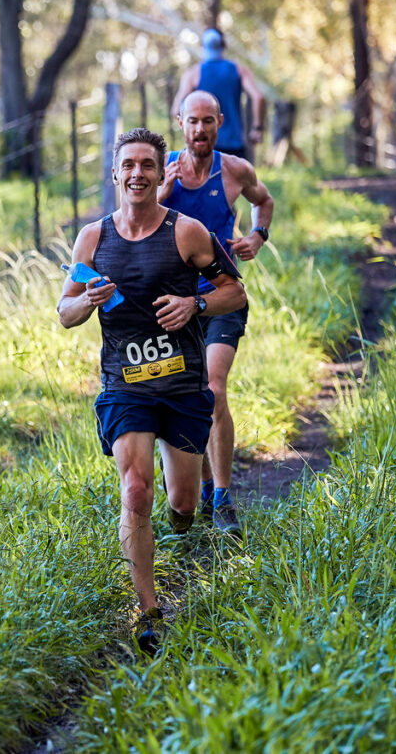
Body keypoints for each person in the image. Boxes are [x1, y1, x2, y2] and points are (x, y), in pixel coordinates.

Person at [58, 127, 246, 656]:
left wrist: (197, 306)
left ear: (161, 173)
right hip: (125, 384)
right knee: (135, 489)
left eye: (147, 164)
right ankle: (148, 612)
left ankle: (187, 514)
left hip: (182, 384)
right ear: (115, 174)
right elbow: (65, 312)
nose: (137, 173)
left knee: (181, 505)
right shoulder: (93, 239)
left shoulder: (187, 233)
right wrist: (88, 300)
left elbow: (235, 291)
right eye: (128, 165)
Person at [160, 90, 275, 538]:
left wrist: (257, 236)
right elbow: (130, 219)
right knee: (183, 396)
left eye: (209, 121)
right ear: (180, 122)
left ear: (220, 123)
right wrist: (163, 195)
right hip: (171, 305)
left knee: (213, 386)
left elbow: (262, 200)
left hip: (222, 294)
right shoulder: (159, 170)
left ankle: (224, 499)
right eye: (193, 121)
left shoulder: (235, 170)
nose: (200, 129)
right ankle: (203, 488)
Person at [172, 28, 265, 161]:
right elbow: (258, 97)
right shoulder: (238, 70)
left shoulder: (193, 74)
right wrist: (257, 128)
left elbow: (176, 110)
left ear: (203, 46)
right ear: (224, 45)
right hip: (234, 145)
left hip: (202, 145)